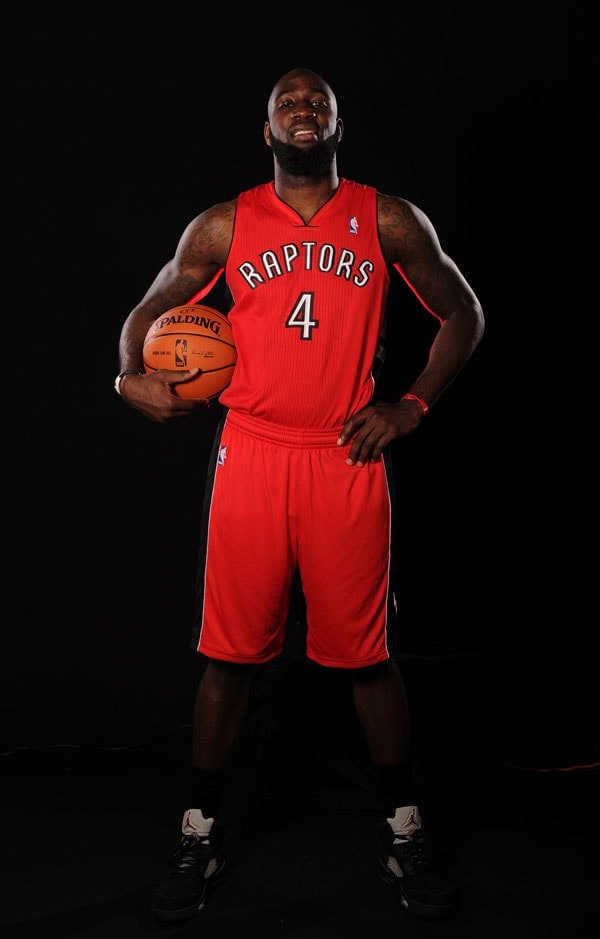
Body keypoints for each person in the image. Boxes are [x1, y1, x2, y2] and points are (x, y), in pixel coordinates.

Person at [115, 66, 485, 923]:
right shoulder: (225, 224)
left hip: (344, 456)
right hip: (250, 453)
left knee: (369, 660)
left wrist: (412, 402)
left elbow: (463, 308)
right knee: (228, 657)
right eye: (288, 102)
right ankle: (198, 835)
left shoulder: (386, 217)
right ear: (268, 128)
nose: (304, 110)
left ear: (340, 124)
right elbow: (146, 308)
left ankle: (404, 831)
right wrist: (128, 375)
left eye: (318, 101)